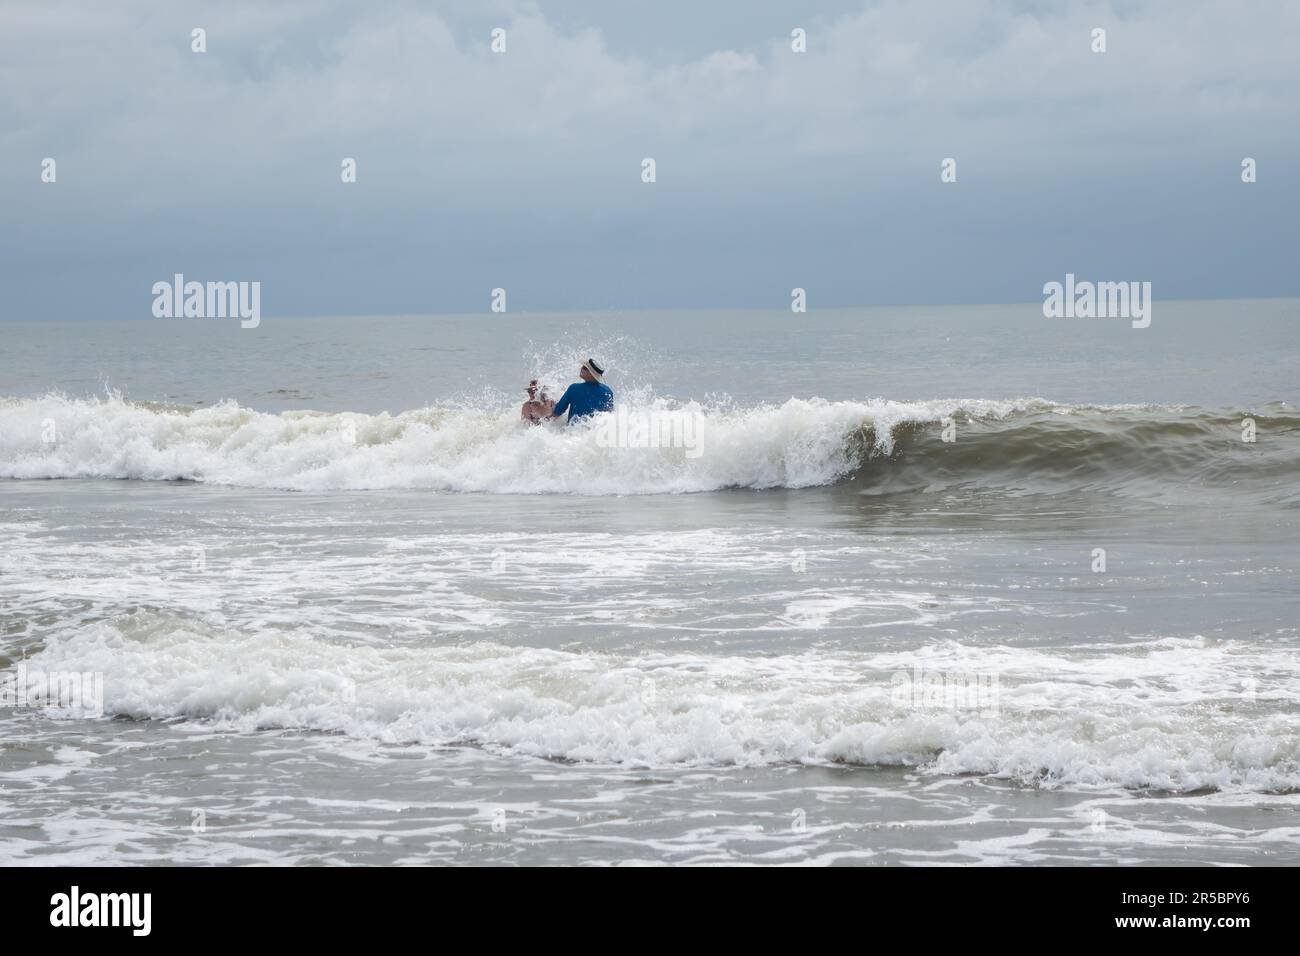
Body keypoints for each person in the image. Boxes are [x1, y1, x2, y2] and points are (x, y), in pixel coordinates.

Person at [551, 358, 613, 424]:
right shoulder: (608, 391)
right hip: (595, 431)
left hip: (573, 432)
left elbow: (557, 411)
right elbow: (610, 415)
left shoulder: (574, 388)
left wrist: (552, 406)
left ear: (591, 374)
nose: (581, 368)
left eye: (584, 368)